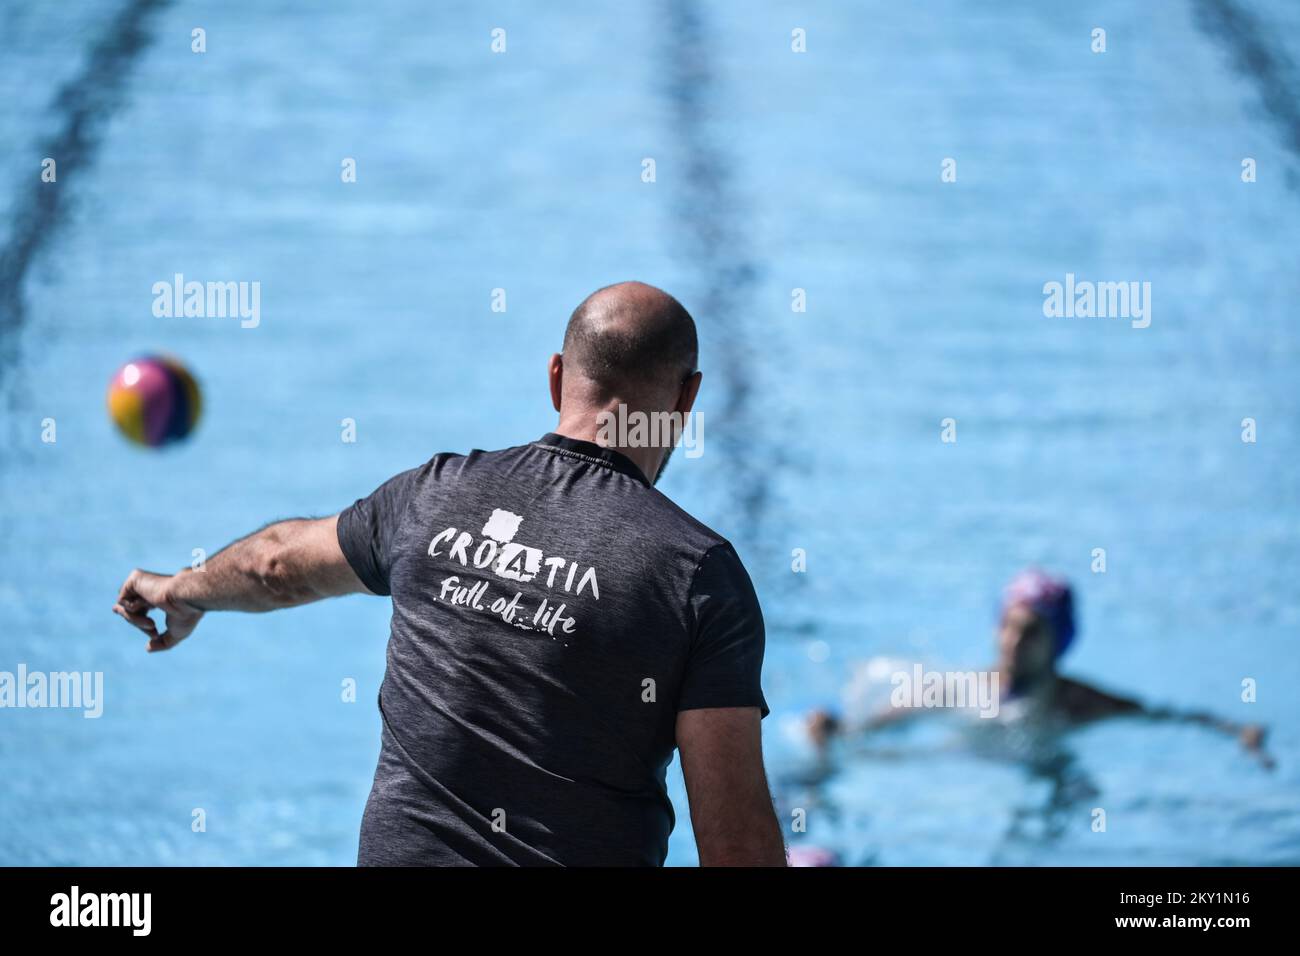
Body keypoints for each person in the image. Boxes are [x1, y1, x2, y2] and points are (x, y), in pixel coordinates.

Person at [113, 281, 787, 867]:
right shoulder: (698, 575)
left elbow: (275, 565)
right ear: (686, 399)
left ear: (556, 377)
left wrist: (181, 589)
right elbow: (737, 849)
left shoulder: (435, 495)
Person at [808, 569, 1272, 767]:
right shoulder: (958, 688)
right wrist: (836, 729)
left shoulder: (1078, 702)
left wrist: (1235, 731)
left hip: (1038, 761)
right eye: (1008, 627)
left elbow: (1160, 716)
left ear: (1060, 641)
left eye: (1031, 632)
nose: (1013, 642)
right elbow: (875, 726)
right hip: (969, 763)